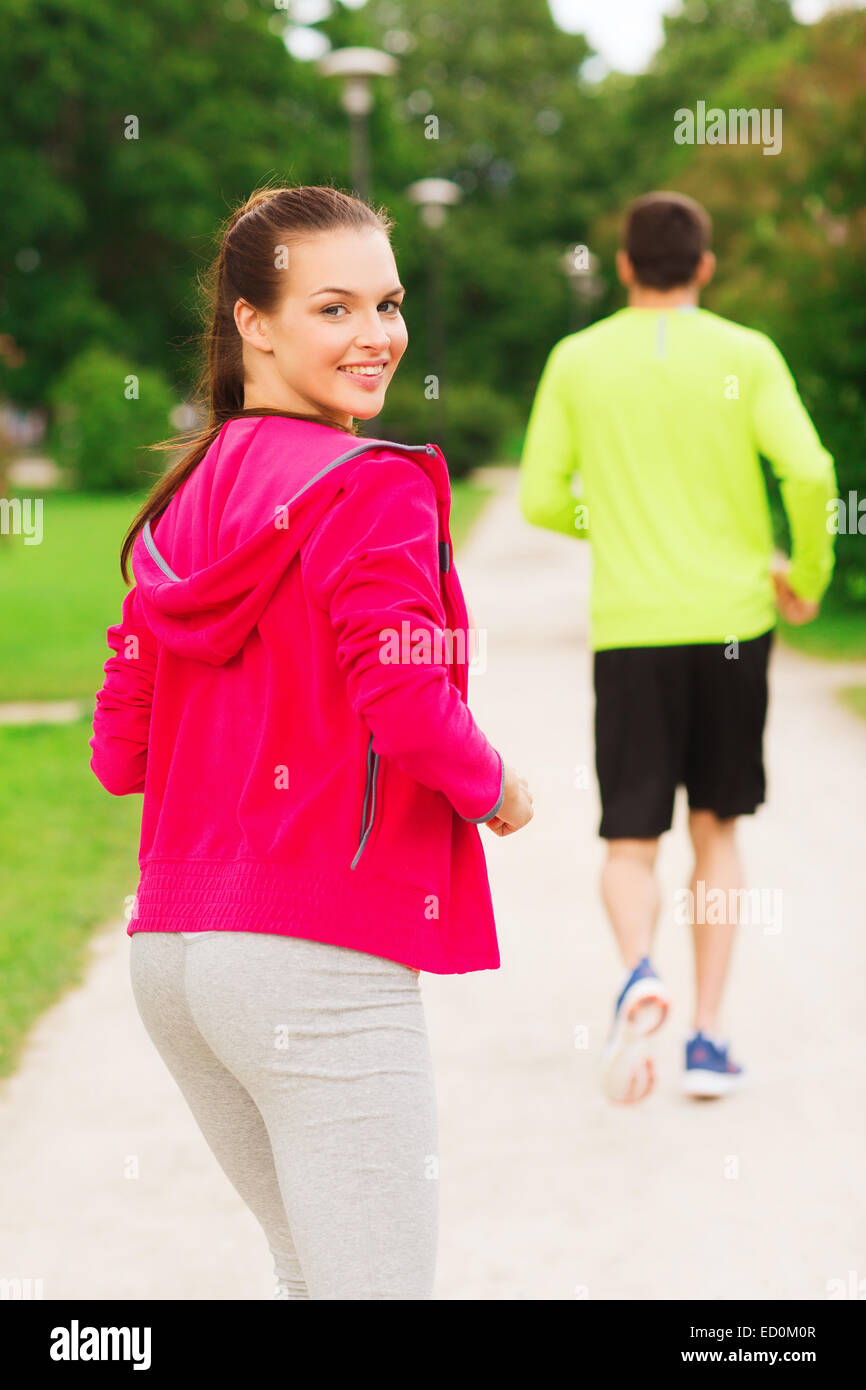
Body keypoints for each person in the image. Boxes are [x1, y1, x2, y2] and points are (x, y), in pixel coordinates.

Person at [90, 183, 533, 1300]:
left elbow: (118, 754)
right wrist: (495, 787)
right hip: (311, 956)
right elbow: (405, 696)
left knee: (309, 1275)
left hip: (177, 959)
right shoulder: (370, 487)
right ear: (252, 320)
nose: (377, 335)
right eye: (333, 308)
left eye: (385, 304)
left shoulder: (175, 503)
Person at [519, 190, 836, 1104]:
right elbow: (810, 471)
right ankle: (707, 1037)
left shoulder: (578, 359)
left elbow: (543, 497)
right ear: (703, 266)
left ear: (624, 266)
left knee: (629, 836)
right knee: (717, 831)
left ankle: (636, 975)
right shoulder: (747, 354)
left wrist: (614, 522)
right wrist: (804, 576)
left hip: (632, 629)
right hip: (736, 622)